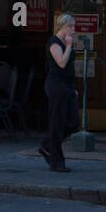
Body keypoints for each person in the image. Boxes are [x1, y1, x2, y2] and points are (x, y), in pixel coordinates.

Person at [39, 12, 79, 172]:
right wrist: (69, 46)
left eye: (74, 26)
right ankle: (56, 161)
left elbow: (68, 67)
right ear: (62, 25)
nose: (73, 30)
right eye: (70, 26)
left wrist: (72, 87)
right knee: (57, 122)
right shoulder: (54, 42)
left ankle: (47, 146)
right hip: (56, 85)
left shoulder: (65, 41)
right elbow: (61, 63)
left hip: (66, 86)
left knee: (73, 122)